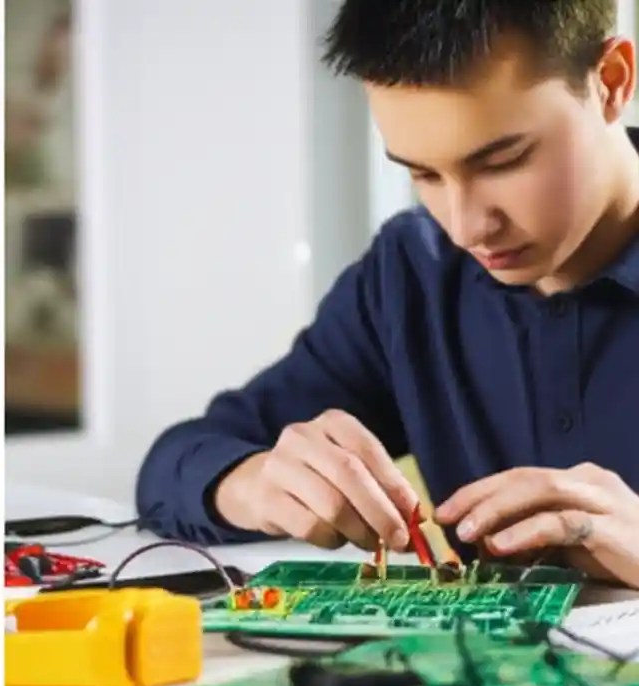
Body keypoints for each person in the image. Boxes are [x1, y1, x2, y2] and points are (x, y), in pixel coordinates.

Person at [136, 0, 639, 589]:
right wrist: (257, 483)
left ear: (611, 82)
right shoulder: (413, 273)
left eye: (505, 161)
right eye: (423, 174)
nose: (466, 227)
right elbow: (175, 464)